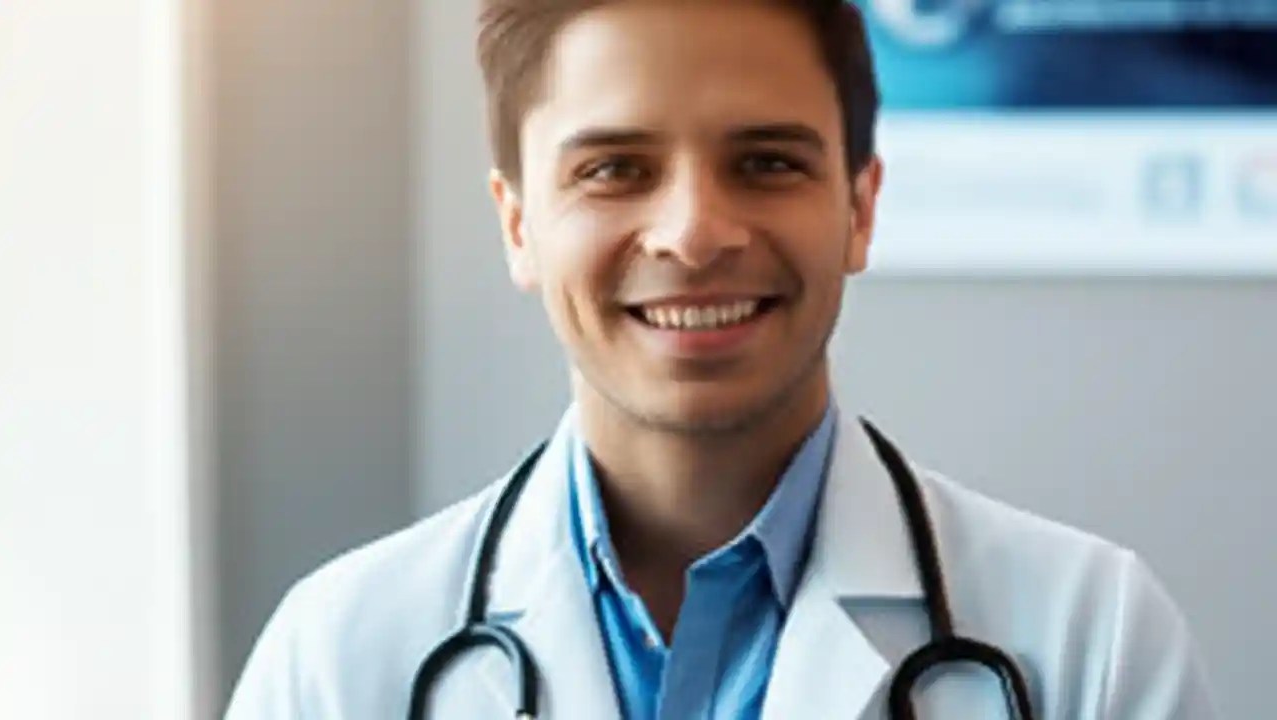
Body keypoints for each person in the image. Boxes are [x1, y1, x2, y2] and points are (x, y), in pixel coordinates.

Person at [224, 0, 1216, 717]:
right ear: (519, 225)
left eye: (765, 163)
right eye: (614, 169)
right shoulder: (342, 657)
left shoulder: (1087, 639)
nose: (694, 234)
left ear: (859, 209)